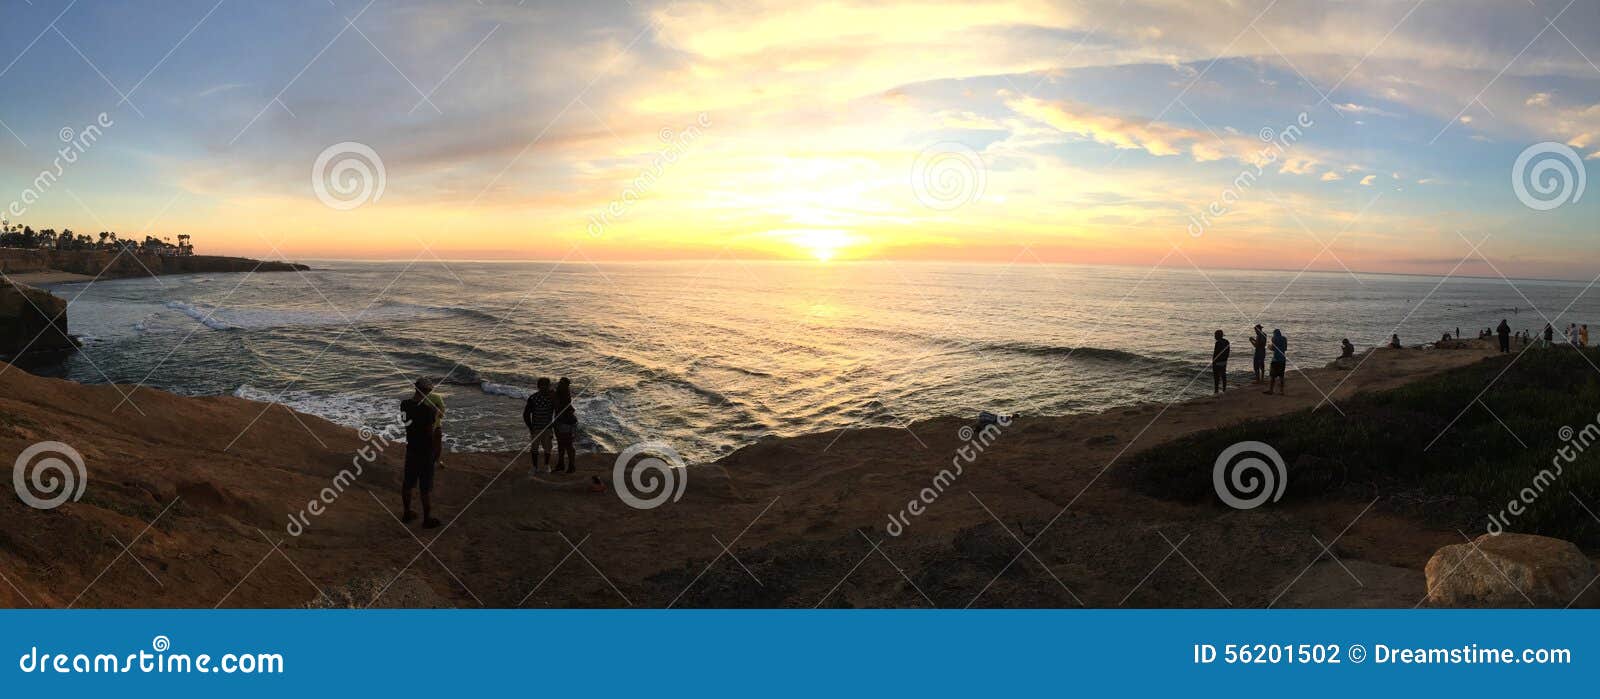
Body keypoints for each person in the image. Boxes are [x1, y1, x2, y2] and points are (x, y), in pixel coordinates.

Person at [400, 382, 442, 529]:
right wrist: (435, 415)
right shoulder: (428, 411)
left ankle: (406, 512)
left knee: (408, 483)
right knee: (425, 487)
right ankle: (427, 519)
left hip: (411, 449)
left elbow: (405, 421)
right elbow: (430, 434)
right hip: (425, 453)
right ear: (428, 392)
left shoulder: (404, 404)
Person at [522, 378, 557, 474]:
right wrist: (530, 427)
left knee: (548, 448)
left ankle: (546, 465)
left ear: (549, 386)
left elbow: (559, 409)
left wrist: (554, 424)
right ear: (538, 386)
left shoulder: (552, 398)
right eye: (542, 385)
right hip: (536, 428)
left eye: (546, 385)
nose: (544, 387)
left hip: (548, 428)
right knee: (534, 448)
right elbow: (526, 414)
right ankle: (534, 467)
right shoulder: (533, 398)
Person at [416, 378, 445, 470]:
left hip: (433, 426)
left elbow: (441, 415)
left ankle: (435, 460)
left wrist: (435, 411)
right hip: (424, 427)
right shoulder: (415, 400)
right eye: (426, 389)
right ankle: (430, 461)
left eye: (428, 390)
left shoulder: (436, 398)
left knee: (436, 443)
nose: (427, 391)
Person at [553, 377, 578, 474]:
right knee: (561, 444)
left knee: (567, 445)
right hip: (562, 422)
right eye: (559, 383)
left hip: (565, 423)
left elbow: (559, 406)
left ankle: (571, 466)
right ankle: (561, 464)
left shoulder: (563, 395)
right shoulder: (563, 393)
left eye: (561, 383)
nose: (559, 385)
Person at [1264, 329, 1287, 395]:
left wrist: (1269, 347)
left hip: (1276, 360)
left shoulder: (1274, 338)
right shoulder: (1284, 339)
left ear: (1274, 333)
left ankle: (1271, 390)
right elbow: (1285, 348)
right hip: (1283, 359)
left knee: (1272, 376)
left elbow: (1273, 348)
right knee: (1281, 376)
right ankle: (1281, 391)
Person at [1211, 330, 1230, 394]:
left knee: (1216, 377)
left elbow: (1215, 354)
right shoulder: (1227, 342)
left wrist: (1213, 361)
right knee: (1223, 375)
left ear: (1218, 336)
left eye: (1215, 335)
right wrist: (1226, 359)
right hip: (1224, 361)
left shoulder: (1218, 343)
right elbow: (1228, 352)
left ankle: (1216, 390)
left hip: (1217, 362)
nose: (1214, 336)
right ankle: (1224, 389)